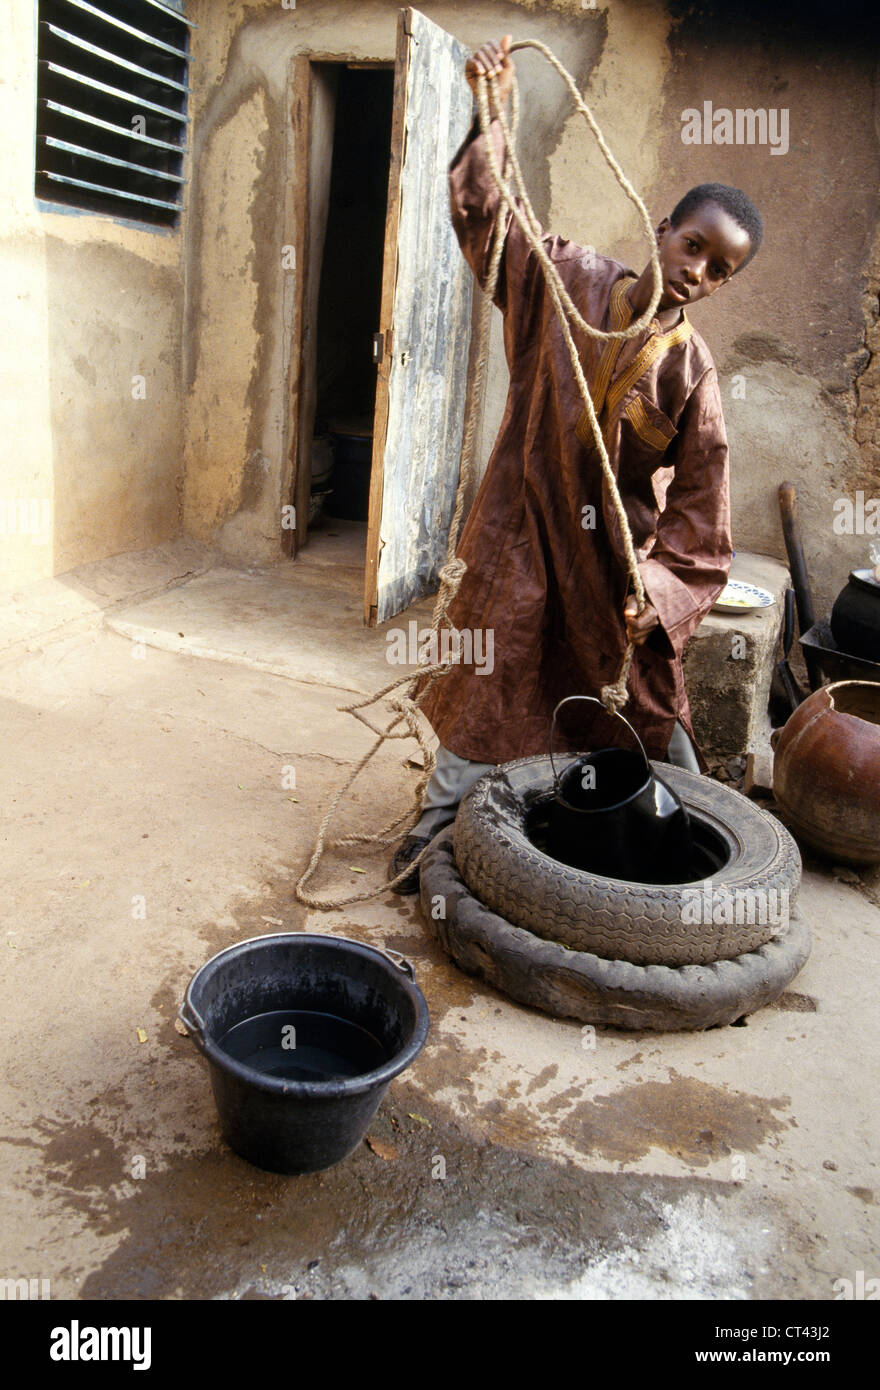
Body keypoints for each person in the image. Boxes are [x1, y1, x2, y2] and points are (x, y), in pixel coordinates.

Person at [390, 35, 762, 894]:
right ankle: (435, 830)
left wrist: (657, 594)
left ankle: (700, 840)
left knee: (643, 705)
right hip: (519, 532)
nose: (699, 272)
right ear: (663, 230)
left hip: (610, 570)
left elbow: (704, 524)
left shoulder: (690, 371)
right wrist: (496, 111)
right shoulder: (564, 280)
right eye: (695, 246)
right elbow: (487, 218)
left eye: (720, 270)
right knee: (490, 677)